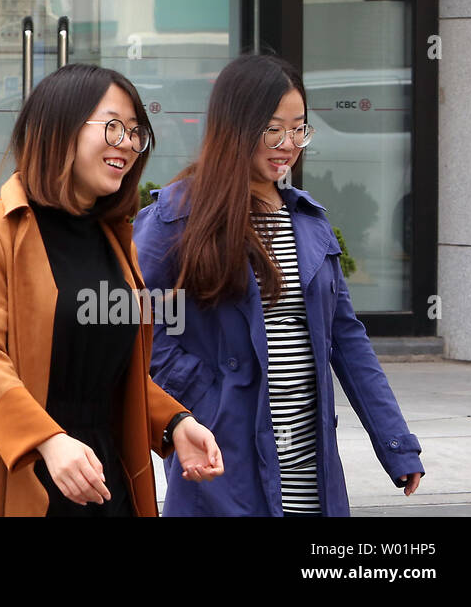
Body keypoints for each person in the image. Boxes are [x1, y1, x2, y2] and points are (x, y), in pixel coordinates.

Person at [134, 53, 425, 516]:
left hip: (310, 462)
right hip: (223, 453)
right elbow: (134, 322)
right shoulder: (177, 217)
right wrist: (204, 393)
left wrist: (395, 442)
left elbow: (347, 339)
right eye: (273, 128)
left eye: (299, 128)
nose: (288, 143)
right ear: (236, 124)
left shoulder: (308, 220)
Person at [0, 64, 222, 517]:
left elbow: (114, 374)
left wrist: (174, 424)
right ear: (59, 127)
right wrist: (48, 440)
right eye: (112, 126)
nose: (126, 143)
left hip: (102, 481)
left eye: (134, 131)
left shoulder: (114, 239)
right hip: (18, 472)